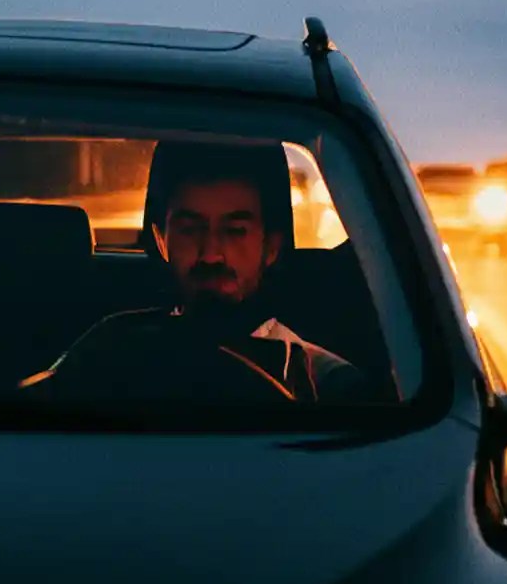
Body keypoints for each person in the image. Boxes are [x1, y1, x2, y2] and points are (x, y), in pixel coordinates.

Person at [26, 141, 365, 402]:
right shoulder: (109, 345)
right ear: (161, 241)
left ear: (271, 247)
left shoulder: (322, 380)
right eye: (191, 229)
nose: (211, 254)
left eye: (234, 232)